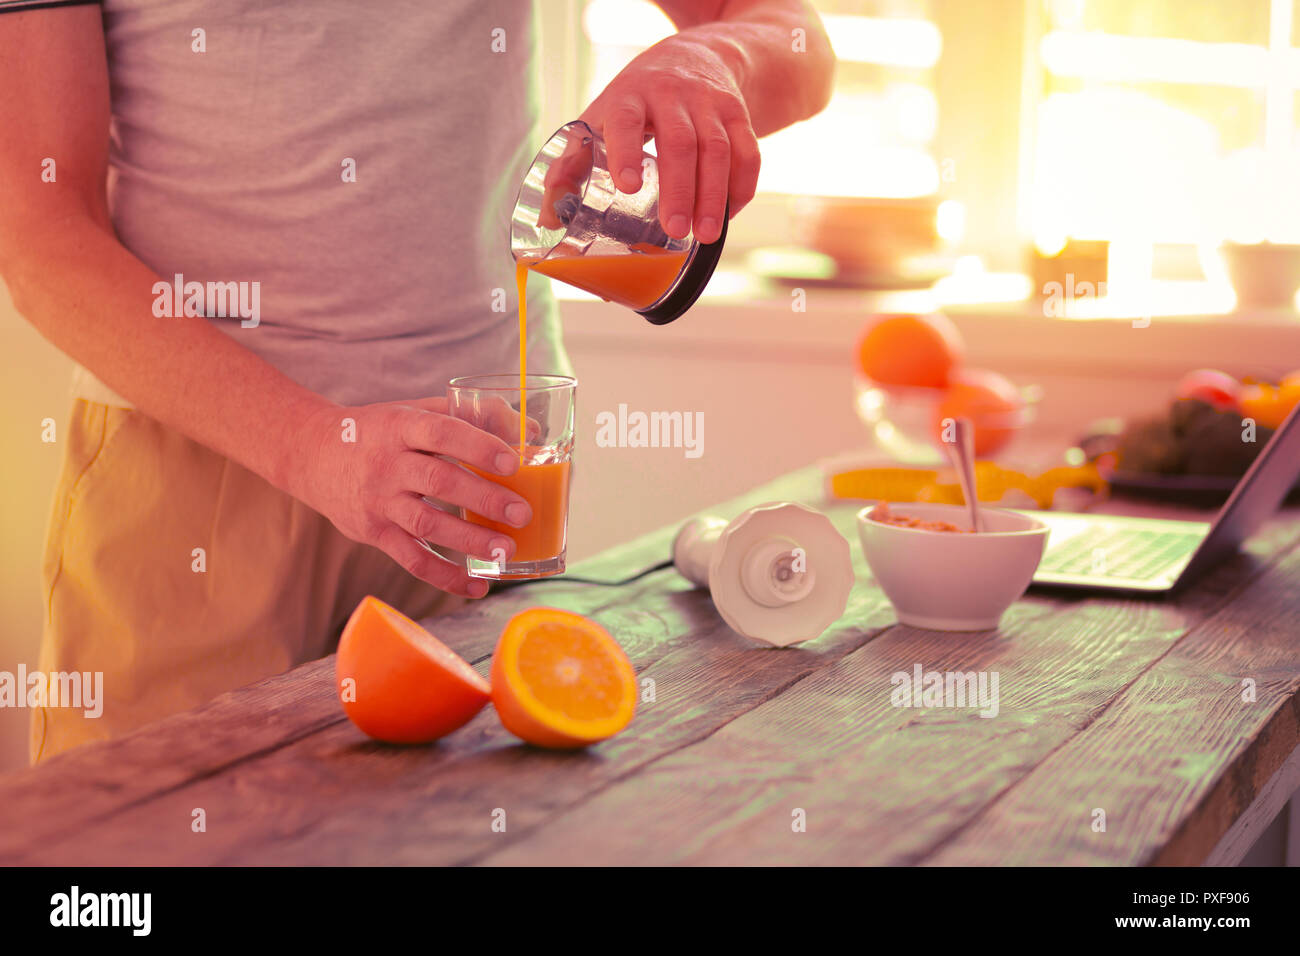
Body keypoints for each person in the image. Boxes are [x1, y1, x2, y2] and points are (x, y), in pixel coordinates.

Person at [0, 0, 834, 763]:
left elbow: (794, 38)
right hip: (197, 476)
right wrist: (308, 445)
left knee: (475, 832)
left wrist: (715, 59)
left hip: (480, 475)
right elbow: (39, 233)